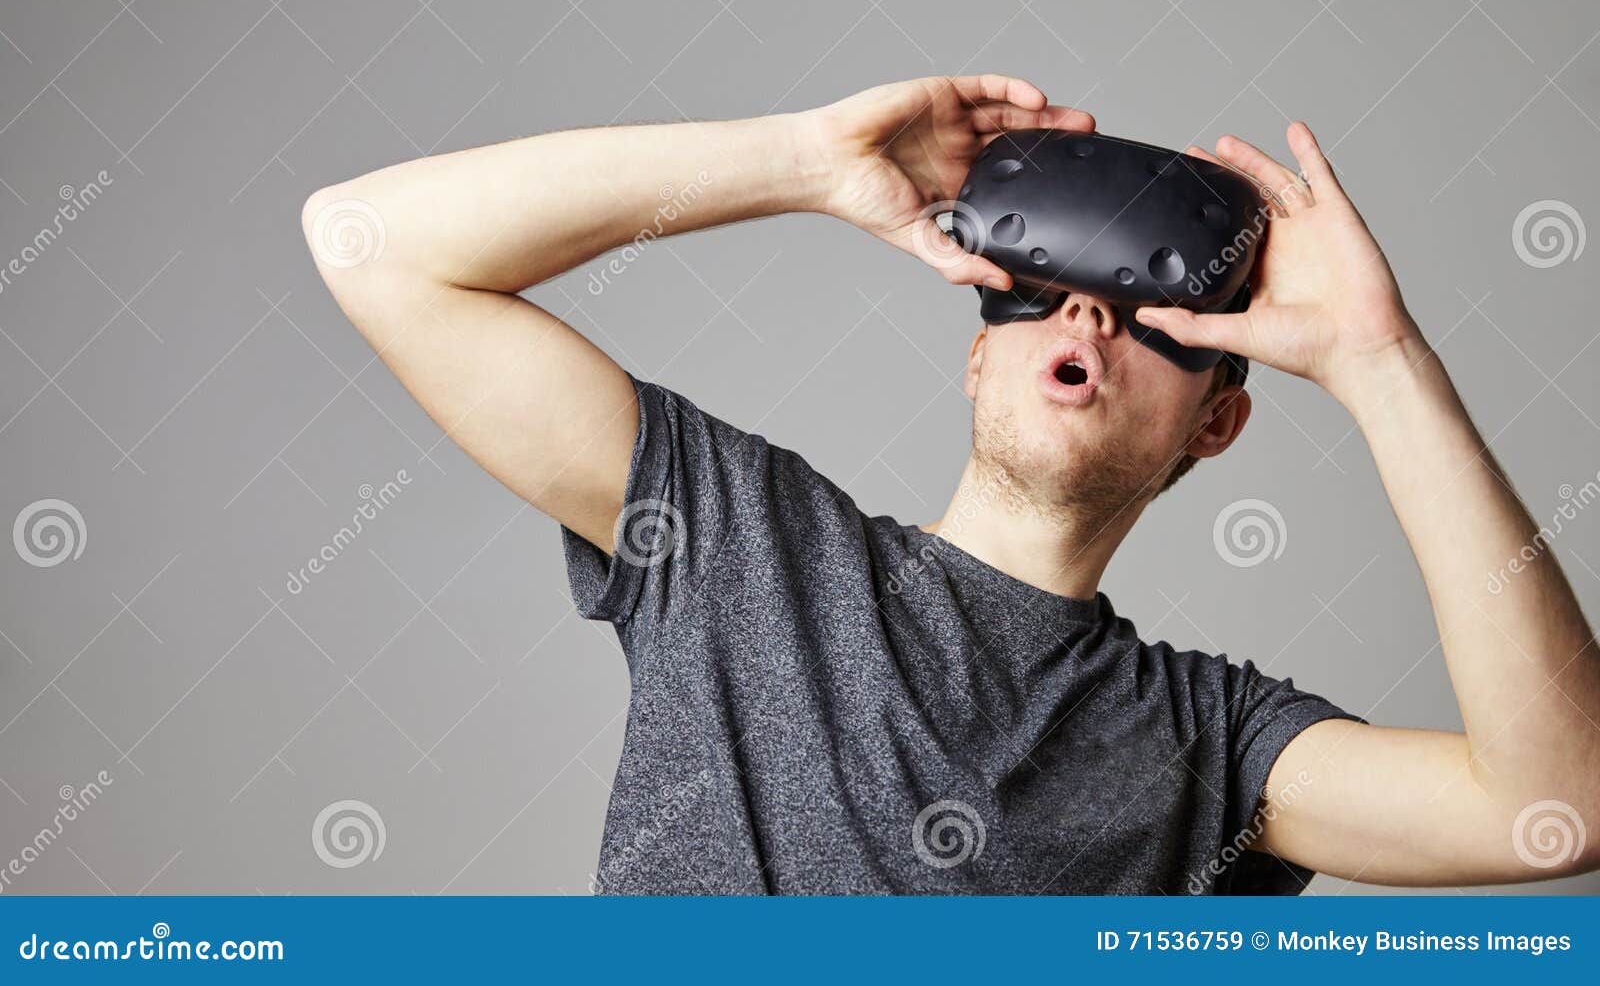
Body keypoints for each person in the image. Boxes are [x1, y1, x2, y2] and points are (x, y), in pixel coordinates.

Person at [303, 74, 1600, 893]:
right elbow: (371, 248)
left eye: (1156, 314)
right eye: (1047, 290)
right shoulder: (738, 544)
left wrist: (1382, 362)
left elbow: (1554, 809)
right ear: (980, 360)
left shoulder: (1217, 751)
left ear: (1220, 423)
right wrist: (805, 162)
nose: (1090, 311)